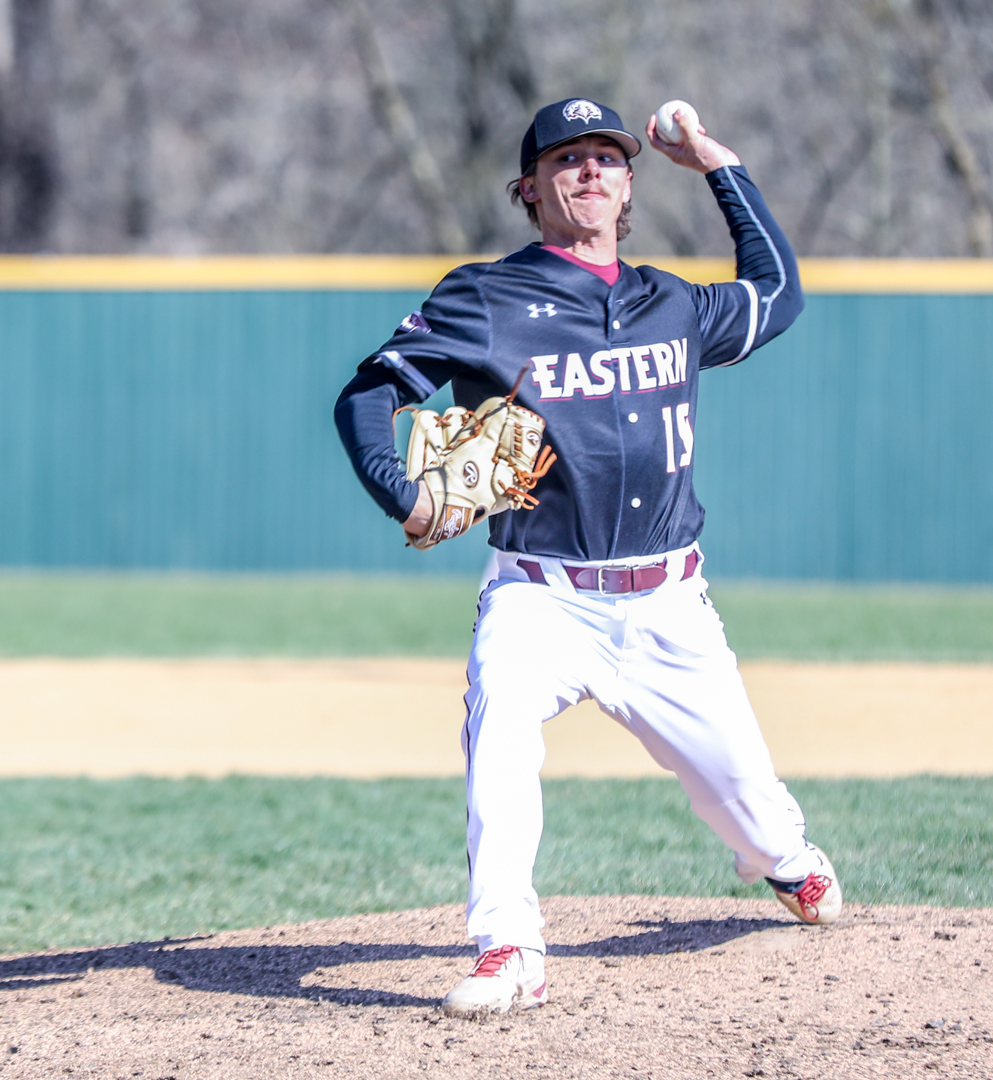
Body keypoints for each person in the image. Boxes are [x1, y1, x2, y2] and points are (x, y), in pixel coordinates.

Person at [332, 97, 836, 1017]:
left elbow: (779, 293)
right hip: (539, 594)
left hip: (669, 605)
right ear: (530, 188)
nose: (591, 171)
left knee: (758, 820)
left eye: (609, 156)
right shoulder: (483, 297)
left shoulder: (671, 302)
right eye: (568, 160)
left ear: (630, 183)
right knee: (498, 736)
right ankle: (507, 945)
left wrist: (720, 164)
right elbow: (368, 393)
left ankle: (786, 862)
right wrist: (399, 490)